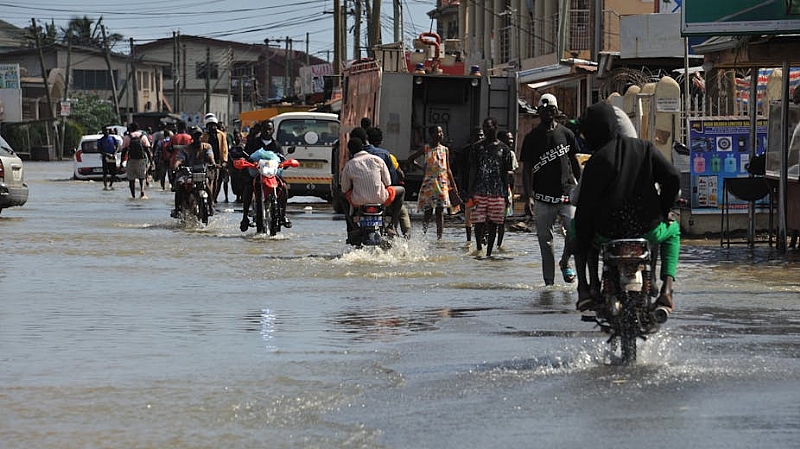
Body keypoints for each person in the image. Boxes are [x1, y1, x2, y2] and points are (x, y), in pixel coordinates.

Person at [573, 101, 681, 313]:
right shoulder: (646, 149)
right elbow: (673, 177)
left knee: (576, 228)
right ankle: (666, 291)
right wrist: (663, 209)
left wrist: (583, 239)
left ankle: (585, 289)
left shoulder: (596, 161)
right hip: (648, 230)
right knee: (674, 231)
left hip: (607, 234)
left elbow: (585, 211)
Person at [519, 93, 581, 285]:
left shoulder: (567, 134)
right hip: (542, 198)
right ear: (538, 111)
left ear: (556, 111)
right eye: (543, 110)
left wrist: (582, 188)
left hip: (567, 194)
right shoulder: (531, 138)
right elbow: (526, 169)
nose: (547, 113)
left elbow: (575, 162)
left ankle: (565, 262)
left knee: (574, 232)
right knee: (545, 242)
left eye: (551, 109)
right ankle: (549, 283)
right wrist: (528, 197)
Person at [341, 137, 406, 241]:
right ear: (363, 147)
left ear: (350, 151)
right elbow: (388, 182)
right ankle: (392, 224)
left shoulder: (349, 165)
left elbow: (344, 189)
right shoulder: (377, 160)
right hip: (381, 199)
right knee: (401, 190)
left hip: (358, 201)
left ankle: (354, 227)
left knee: (342, 197)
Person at [467, 117, 513, 257]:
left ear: (496, 127)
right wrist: (470, 191)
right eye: (485, 127)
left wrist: (506, 194)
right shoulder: (477, 147)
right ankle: (479, 248)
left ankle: (489, 252)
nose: (487, 130)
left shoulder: (504, 149)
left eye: (489, 127)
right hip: (479, 191)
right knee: (478, 223)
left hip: (497, 192)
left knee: (494, 223)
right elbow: (473, 170)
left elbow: (506, 174)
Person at [408, 125, 460, 240]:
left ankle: (439, 238)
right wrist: (422, 169)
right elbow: (411, 159)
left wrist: (454, 187)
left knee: (440, 212)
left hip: (442, 184)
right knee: (428, 212)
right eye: (438, 133)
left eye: (441, 132)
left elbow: (448, 169)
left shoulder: (445, 150)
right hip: (429, 184)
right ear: (431, 135)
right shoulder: (425, 148)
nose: (440, 135)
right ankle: (424, 235)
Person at [240, 119, 290, 232]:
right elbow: (246, 156)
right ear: (261, 130)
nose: (267, 131)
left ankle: (283, 215)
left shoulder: (277, 145)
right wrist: (246, 161)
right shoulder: (253, 143)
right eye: (265, 129)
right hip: (256, 173)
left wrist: (285, 164)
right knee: (248, 187)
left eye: (269, 129)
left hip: (272, 175)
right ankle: (244, 218)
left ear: (273, 130)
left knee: (285, 188)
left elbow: (282, 159)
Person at [365, 126, 412, 238]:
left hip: (363, 198)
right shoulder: (387, 155)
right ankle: (403, 236)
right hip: (384, 197)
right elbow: (396, 176)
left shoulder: (359, 155)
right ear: (381, 140)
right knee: (403, 212)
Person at [171, 127, 216, 218]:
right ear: (192, 137)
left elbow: (210, 156)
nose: (197, 138)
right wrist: (176, 165)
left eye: (199, 135)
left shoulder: (207, 147)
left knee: (207, 185)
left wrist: (213, 164)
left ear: (202, 136)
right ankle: (177, 208)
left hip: (201, 173)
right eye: (195, 136)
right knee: (179, 184)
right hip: (187, 174)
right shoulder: (186, 148)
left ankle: (211, 206)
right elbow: (179, 159)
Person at [453, 127, 484, 242]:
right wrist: (461, 189)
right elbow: (460, 171)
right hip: (468, 187)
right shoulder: (465, 151)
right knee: (468, 214)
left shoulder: (485, 150)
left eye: (481, 135)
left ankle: (481, 238)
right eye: (477, 135)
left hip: (482, 188)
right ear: (471, 138)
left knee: (482, 214)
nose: (480, 138)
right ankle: (469, 240)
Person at [496, 129, 519, 249]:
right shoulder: (493, 152)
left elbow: (513, 176)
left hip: (505, 190)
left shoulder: (511, 154)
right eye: (508, 139)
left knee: (502, 220)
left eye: (511, 139)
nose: (511, 141)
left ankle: (499, 245)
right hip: (491, 190)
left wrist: (512, 193)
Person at [201, 113, 229, 209]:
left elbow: (224, 149)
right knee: (208, 181)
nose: (212, 127)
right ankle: (209, 200)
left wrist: (224, 161)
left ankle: (213, 199)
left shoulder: (221, 135)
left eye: (214, 125)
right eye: (210, 125)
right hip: (206, 162)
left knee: (216, 181)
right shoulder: (203, 136)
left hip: (217, 162)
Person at [120, 122, 153, 199]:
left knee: (131, 179)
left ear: (130, 129)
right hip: (142, 160)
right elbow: (148, 150)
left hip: (131, 160)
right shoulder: (143, 137)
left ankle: (133, 195)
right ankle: (142, 191)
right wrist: (151, 162)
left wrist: (122, 162)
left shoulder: (127, 137)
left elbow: (124, 151)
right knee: (141, 177)